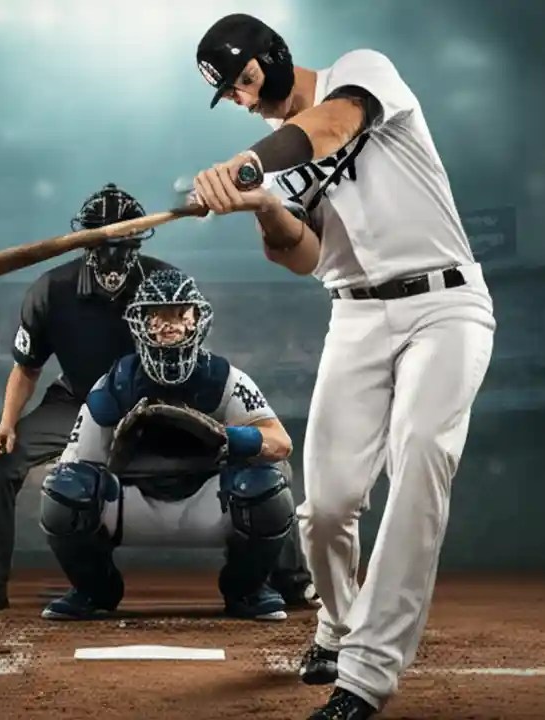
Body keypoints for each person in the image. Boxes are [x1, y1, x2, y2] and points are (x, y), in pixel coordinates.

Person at [191, 15, 498, 719]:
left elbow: (333, 126)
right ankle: (336, 623)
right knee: (326, 508)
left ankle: (366, 675)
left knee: (420, 456)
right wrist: (264, 203)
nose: (242, 97)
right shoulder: (277, 159)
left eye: (243, 80)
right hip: (355, 315)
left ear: (273, 56)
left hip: (444, 304)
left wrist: (249, 165)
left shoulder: (359, 72)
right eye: (229, 94)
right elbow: (303, 255)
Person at [0, 185, 317, 613]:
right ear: (86, 240)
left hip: (162, 394)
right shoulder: (52, 289)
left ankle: (290, 582)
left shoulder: (165, 282)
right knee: (0, 462)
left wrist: (211, 424)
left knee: (270, 466)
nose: (112, 256)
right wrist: (5, 423)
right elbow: (27, 367)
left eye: (123, 244)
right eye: (103, 244)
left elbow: (191, 354)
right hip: (80, 399)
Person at [39, 268, 297, 622]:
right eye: (158, 314)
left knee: (267, 486)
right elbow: (75, 465)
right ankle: (94, 589)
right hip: (133, 503)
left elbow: (281, 443)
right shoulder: (116, 382)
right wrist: (116, 456)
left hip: (208, 502)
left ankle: (246, 590)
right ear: (140, 323)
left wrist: (229, 437)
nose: (170, 323)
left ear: (196, 320)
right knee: (64, 490)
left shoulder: (223, 378)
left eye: (180, 313)